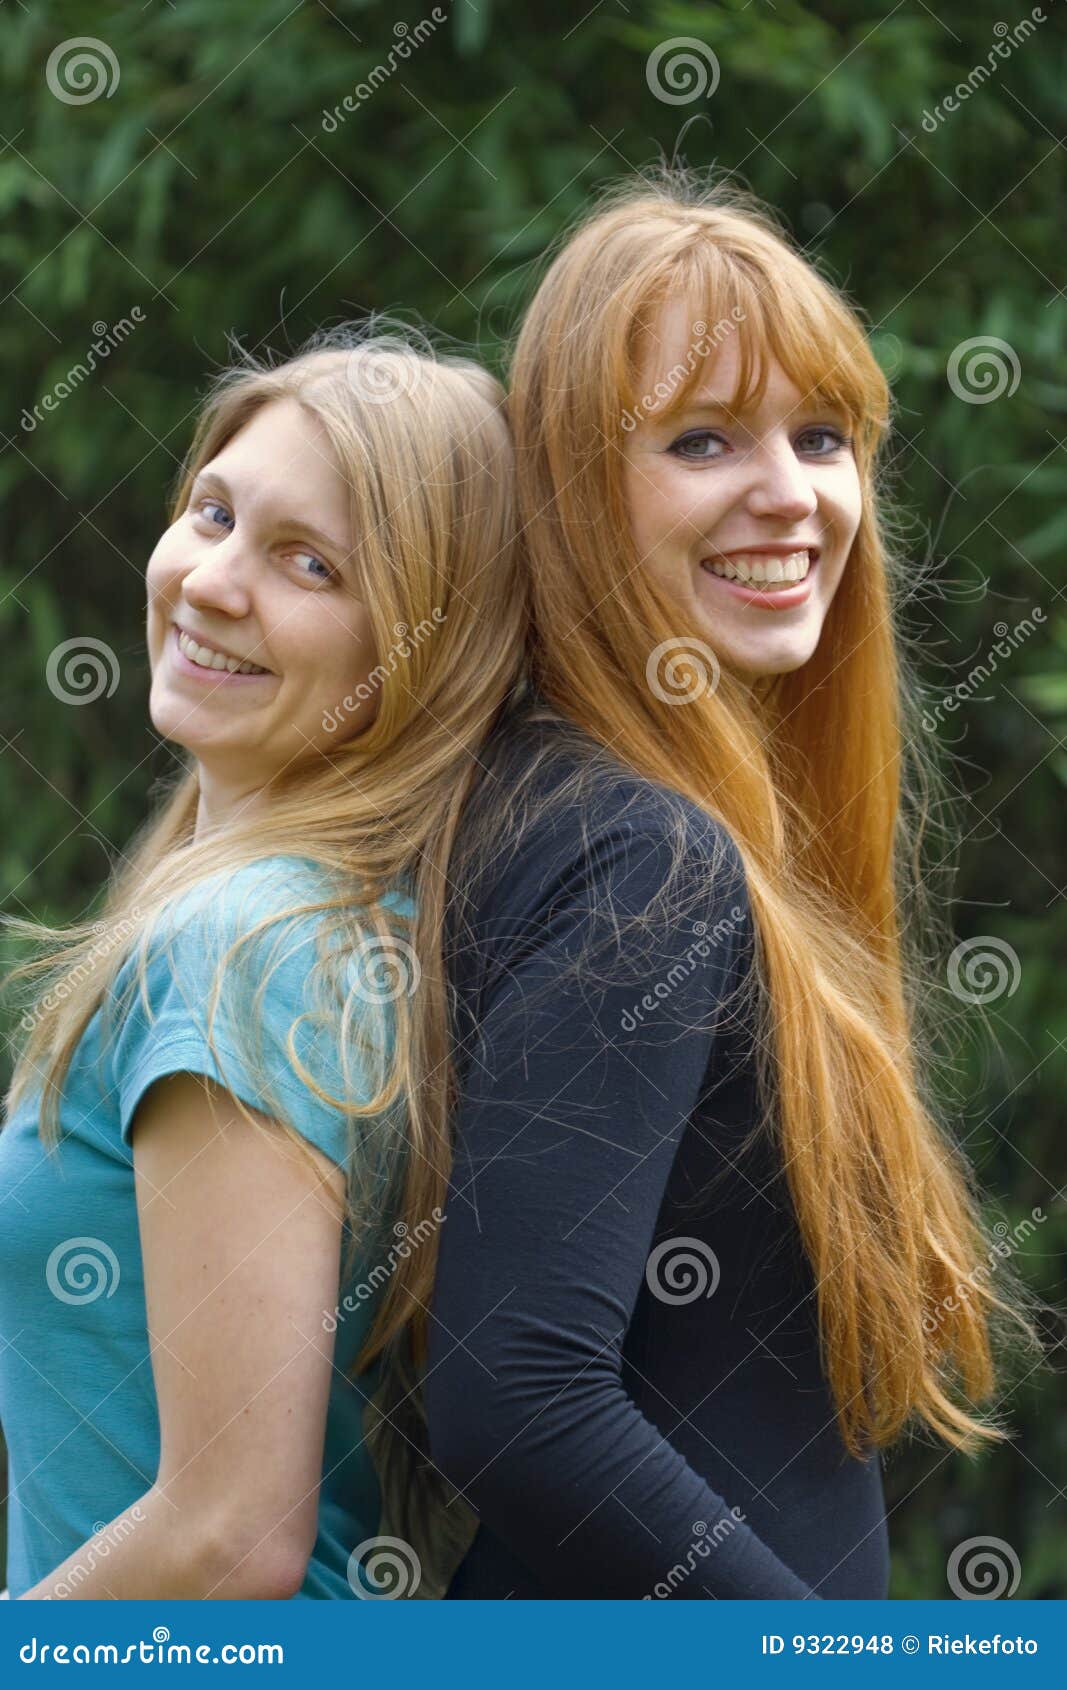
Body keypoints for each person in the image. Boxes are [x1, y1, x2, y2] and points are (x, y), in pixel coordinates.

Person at [423, 171, 1049, 1599]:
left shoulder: (589, 809)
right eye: (701, 439)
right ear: (574, 494)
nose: (790, 493)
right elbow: (512, 1398)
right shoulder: (635, 850)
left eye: (819, 435)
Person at [0, 328, 525, 1599]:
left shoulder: (243, 948)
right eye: (212, 512)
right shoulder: (324, 920)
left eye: (309, 563)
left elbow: (231, 1534)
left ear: (423, 648)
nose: (213, 582)